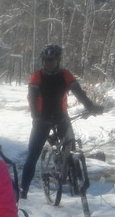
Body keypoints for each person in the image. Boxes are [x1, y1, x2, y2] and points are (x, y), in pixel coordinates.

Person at [20, 44, 100, 199]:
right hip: (41, 119)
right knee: (33, 154)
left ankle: (69, 173)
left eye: (52, 60)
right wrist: (36, 117)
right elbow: (32, 99)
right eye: (46, 60)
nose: (49, 63)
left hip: (61, 117)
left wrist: (90, 106)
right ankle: (23, 190)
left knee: (70, 146)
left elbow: (78, 92)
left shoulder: (65, 75)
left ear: (58, 60)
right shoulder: (37, 76)